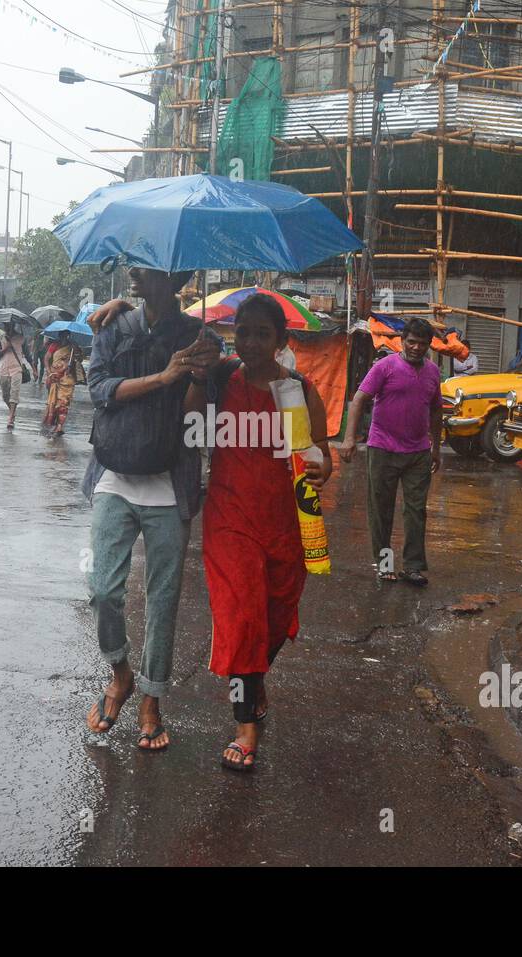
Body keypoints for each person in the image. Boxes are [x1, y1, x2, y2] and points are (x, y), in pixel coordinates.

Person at [82, 267, 222, 751]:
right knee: (103, 590)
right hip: (114, 476)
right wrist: (162, 375)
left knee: (162, 601)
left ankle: (151, 700)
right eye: (134, 264)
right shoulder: (113, 324)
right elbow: (98, 389)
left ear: (178, 276)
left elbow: (196, 421)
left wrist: (199, 378)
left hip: (170, 485)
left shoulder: (200, 337)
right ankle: (120, 673)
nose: (135, 272)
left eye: (149, 267)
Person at [200, 294, 332, 771]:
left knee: (274, 616)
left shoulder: (294, 390)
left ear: (280, 340)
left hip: (285, 522)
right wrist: (195, 374)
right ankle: (244, 727)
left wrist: (322, 468)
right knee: (241, 615)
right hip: (230, 519)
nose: (250, 342)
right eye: (244, 332)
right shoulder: (219, 379)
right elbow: (190, 425)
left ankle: (254, 682)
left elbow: (317, 450)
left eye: (261, 333)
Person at [340, 318, 443, 586]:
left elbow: (435, 410)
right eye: (411, 342)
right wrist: (349, 439)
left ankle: (413, 567)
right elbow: (359, 400)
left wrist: (436, 448)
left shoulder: (433, 372)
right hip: (383, 447)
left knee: (416, 510)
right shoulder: (385, 367)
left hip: (418, 451)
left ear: (429, 345)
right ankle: (385, 564)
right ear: (402, 341)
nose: (417, 348)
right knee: (381, 510)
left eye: (422, 343)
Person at [42, 332, 83, 436]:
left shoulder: (73, 347)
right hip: (54, 377)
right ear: (59, 336)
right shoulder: (54, 345)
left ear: (69, 336)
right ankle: (53, 424)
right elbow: (46, 358)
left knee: (63, 402)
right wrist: (48, 371)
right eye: (62, 335)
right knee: (53, 402)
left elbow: (80, 359)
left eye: (66, 336)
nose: (64, 338)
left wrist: (75, 353)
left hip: (67, 378)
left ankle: (59, 426)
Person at [0, 321, 33, 431]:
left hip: (17, 369)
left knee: (14, 393)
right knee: (5, 396)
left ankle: (10, 418)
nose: (8, 327)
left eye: (10, 325)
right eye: (6, 326)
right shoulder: (0, 338)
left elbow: (27, 355)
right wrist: (5, 349)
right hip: (3, 369)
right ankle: (12, 412)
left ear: (13, 326)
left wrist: (34, 369)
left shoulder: (21, 338)